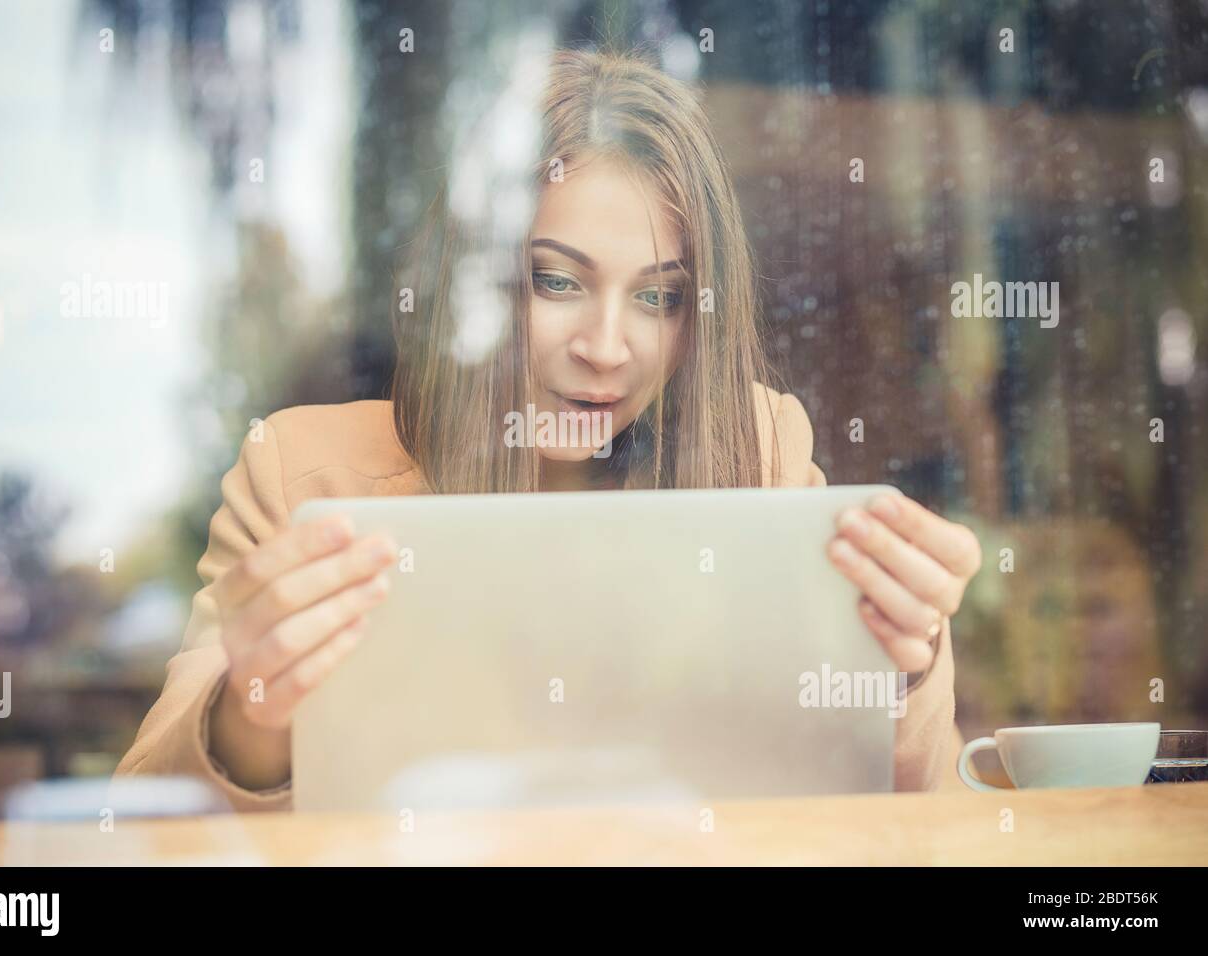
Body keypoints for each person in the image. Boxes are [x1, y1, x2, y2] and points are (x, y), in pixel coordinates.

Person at [116, 48, 981, 811]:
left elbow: (901, 806)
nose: (607, 349)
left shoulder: (760, 450)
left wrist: (900, 665)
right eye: (556, 281)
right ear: (475, 283)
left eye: (659, 297)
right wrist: (250, 718)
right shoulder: (307, 473)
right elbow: (148, 821)